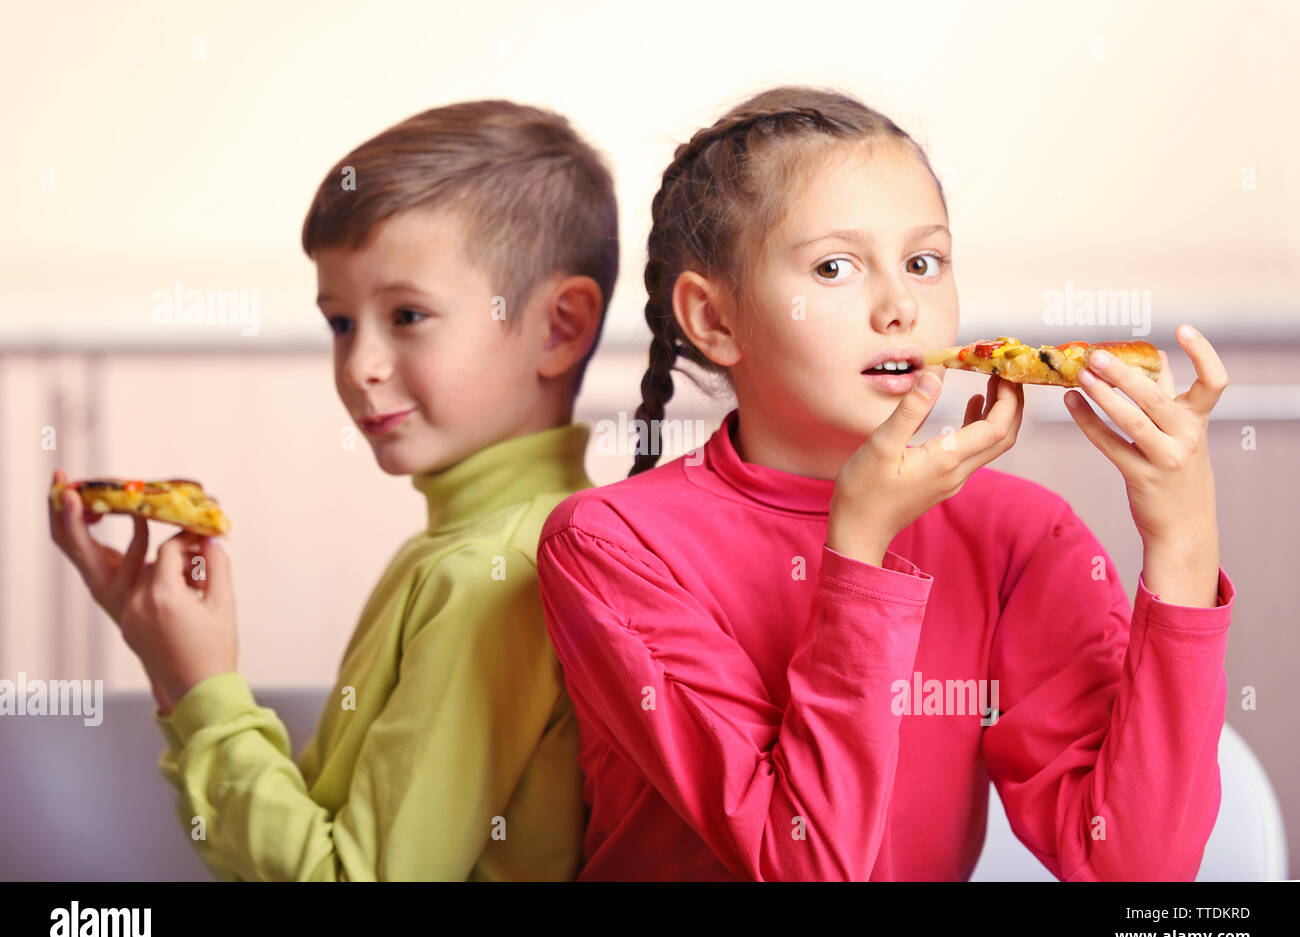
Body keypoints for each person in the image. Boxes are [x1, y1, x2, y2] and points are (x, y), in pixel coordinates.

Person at [535, 86, 1235, 881]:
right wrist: (859, 550)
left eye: (924, 261)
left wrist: (1183, 539)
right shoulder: (607, 546)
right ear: (715, 319)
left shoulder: (1019, 537)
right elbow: (807, 864)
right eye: (834, 267)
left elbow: (1135, 868)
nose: (900, 305)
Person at [48, 98, 619, 880]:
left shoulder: (493, 576)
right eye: (341, 322)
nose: (360, 367)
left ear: (559, 327)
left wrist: (200, 687)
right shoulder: (463, 548)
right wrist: (167, 658)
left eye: (408, 315)